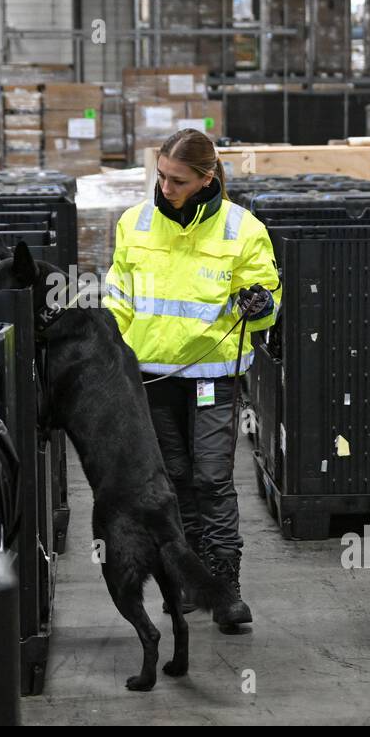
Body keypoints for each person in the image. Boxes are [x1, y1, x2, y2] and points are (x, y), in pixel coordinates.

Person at [103, 128, 281, 631]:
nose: (165, 188)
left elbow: (267, 298)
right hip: (153, 378)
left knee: (212, 479)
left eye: (177, 181)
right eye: (160, 176)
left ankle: (225, 591)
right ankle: (184, 582)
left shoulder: (242, 230)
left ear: (207, 178)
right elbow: (119, 294)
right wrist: (108, 350)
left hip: (213, 378)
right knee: (173, 482)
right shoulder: (133, 224)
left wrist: (262, 305)